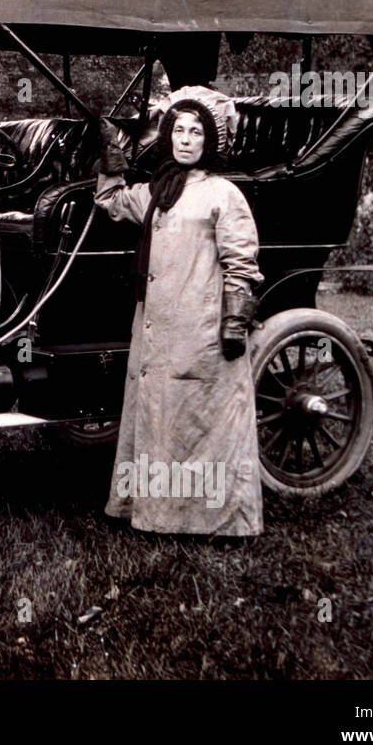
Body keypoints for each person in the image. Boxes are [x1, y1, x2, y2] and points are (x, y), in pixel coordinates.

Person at [95, 93, 264, 536]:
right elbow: (112, 200)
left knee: (202, 420)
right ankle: (154, 513)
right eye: (179, 131)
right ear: (168, 136)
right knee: (157, 418)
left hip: (201, 327)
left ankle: (216, 520)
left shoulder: (223, 194)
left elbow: (241, 263)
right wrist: (112, 157)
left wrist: (234, 322)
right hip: (157, 327)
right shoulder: (159, 191)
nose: (185, 140)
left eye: (196, 132)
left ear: (209, 142)